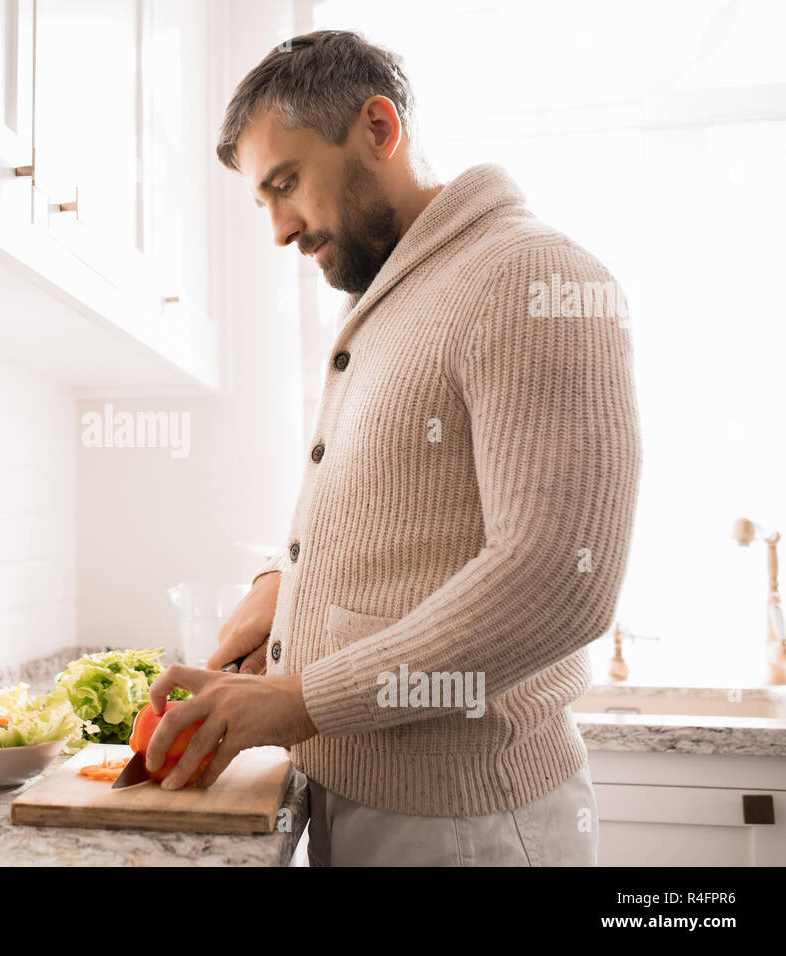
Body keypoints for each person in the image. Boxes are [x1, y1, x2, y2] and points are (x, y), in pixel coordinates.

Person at [144, 29, 641, 867]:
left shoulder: (533, 276)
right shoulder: (399, 295)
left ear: (378, 128)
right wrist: (284, 590)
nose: (277, 229)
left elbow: (560, 578)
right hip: (371, 804)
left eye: (286, 183)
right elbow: (397, 511)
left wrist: (297, 700)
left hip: (470, 826)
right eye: (261, 201)